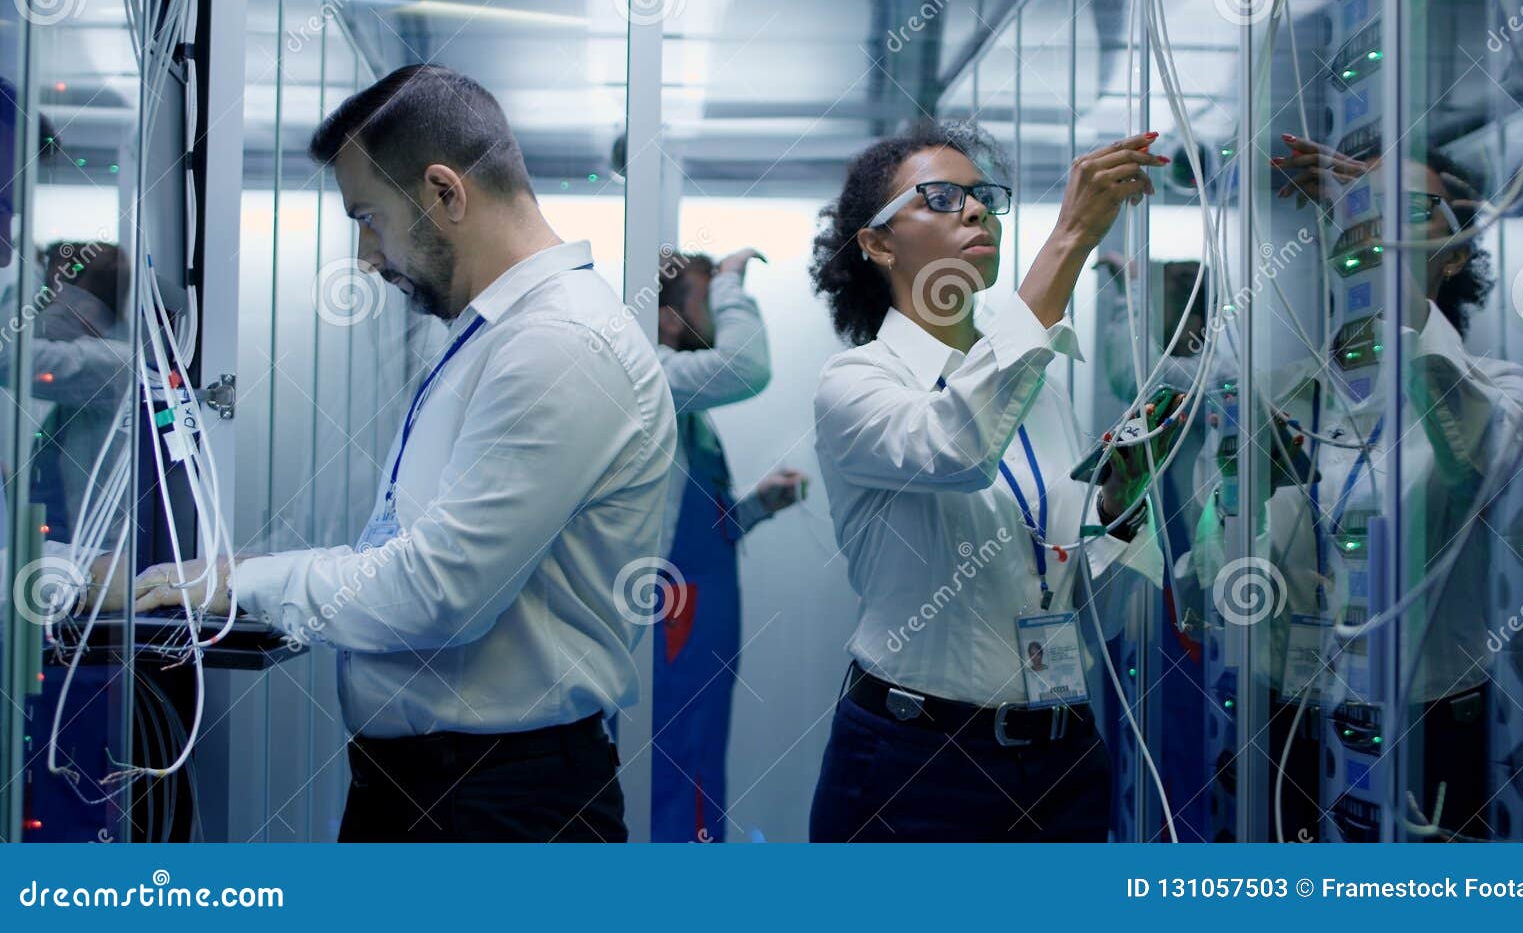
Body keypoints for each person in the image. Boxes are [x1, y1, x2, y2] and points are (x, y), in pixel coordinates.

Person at [132, 65, 677, 842]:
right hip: (444, 790)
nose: (366, 256)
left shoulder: (558, 344)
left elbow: (438, 591)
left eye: (369, 218)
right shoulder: (498, 334)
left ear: (445, 192)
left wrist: (244, 584)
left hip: (496, 809)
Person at [806, 120, 1170, 842]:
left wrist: (1116, 507)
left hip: (1061, 754)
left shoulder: (1042, 386)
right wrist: (1067, 241)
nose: (975, 211)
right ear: (877, 244)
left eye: (981, 197)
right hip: (918, 763)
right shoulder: (854, 384)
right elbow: (958, 449)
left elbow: (1069, 576)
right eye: (939, 198)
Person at [1188, 140, 1523, 841]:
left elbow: (1474, 463)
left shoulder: (1500, 390)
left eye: (1408, 211)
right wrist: (1243, 501)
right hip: (1287, 725)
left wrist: (1386, 267)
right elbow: (1213, 576)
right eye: (1361, 211)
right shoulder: (1282, 399)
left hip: (1427, 736)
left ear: (1458, 252)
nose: (1380, 228)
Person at [650, 246, 806, 842]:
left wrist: (755, 507)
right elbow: (746, 365)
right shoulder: (655, 374)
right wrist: (734, 279)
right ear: (669, 319)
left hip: (706, 610)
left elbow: (690, 520)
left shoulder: (687, 407)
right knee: (673, 755)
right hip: (676, 612)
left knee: (701, 749)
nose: (719, 307)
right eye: (707, 297)